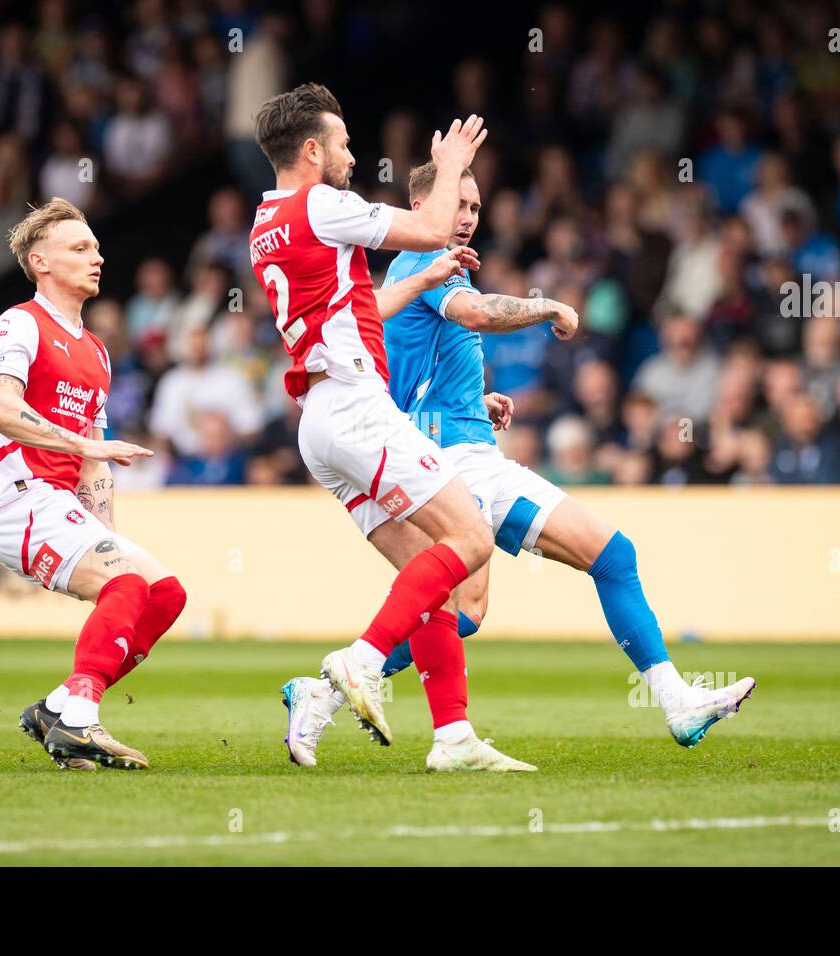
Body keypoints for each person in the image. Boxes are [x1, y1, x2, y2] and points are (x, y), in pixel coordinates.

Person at [281, 161, 755, 765]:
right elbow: (479, 316)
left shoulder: (423, 274)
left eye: (476, 209)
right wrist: (549, 306)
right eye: (458, 204)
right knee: (606, 557)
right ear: (425, 204)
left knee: (463, 612)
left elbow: (404, 374)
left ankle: (325, 694)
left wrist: (470, 403)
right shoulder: (420, 266)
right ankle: (672, 700)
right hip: (459, 462)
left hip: (451, 445)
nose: (468, 218)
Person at [249, 83, 532, 771]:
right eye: (343, 144)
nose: (352, 156)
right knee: (471, 536)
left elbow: (361, 305)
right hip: (356, 404)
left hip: (318, 419)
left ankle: (452, 738)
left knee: (426, 577)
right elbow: (433, 225)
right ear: (311, 150)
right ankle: (362, 660)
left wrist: (425, 277)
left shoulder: (266, 219)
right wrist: (456, 163)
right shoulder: (322, 202)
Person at [0, 198, 187, 772]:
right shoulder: (19, 324)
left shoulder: (96, 352)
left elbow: (95, 465)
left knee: (162, 593)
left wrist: (105, 536)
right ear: (39, 262)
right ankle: (80, 718)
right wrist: (82, 446)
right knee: (127, 583)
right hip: (15, 498)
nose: (97, 257)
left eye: (95, 246)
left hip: (60, 500)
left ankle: (59, 706)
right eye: (79, 247)